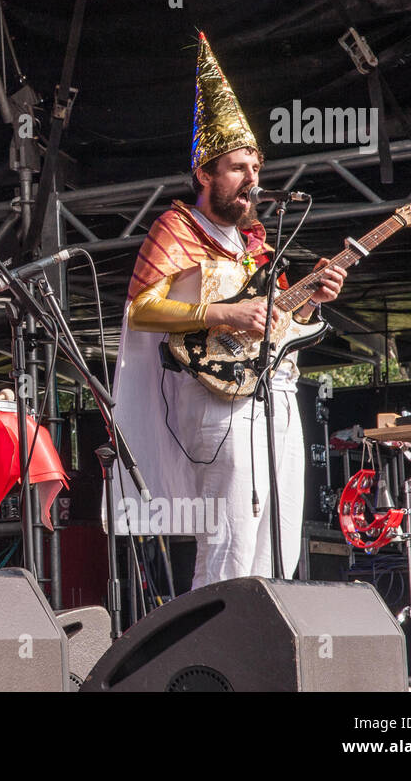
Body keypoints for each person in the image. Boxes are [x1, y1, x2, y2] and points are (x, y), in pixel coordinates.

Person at [112, 34, 346, 589]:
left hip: (274, 394)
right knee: (233, 535)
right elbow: (142, 310)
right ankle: (218, 648)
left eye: (255, 169)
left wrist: (313, 296)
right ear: (206, 174)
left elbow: (277, 320)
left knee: (280, 529)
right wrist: (224, 315)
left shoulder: (259, 243)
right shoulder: (178, 226)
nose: (252, 180)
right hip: (214, 398)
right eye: (238, 167)